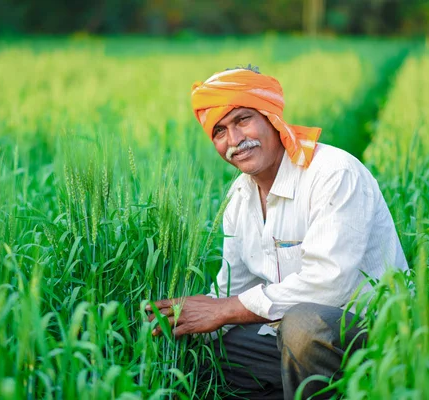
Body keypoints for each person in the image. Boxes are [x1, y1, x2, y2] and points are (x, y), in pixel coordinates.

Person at [146, 66, 408, 399]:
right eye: (220, 131)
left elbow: (330, 284)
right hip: (288, 339)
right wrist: (186, 317)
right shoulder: (239, 199)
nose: (235, 140)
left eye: (243, 119)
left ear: (272, 117)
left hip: (372, 338)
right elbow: (236, 287)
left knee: (303, 325)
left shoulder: (332, 173)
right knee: (196, 350)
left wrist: (223, 310)